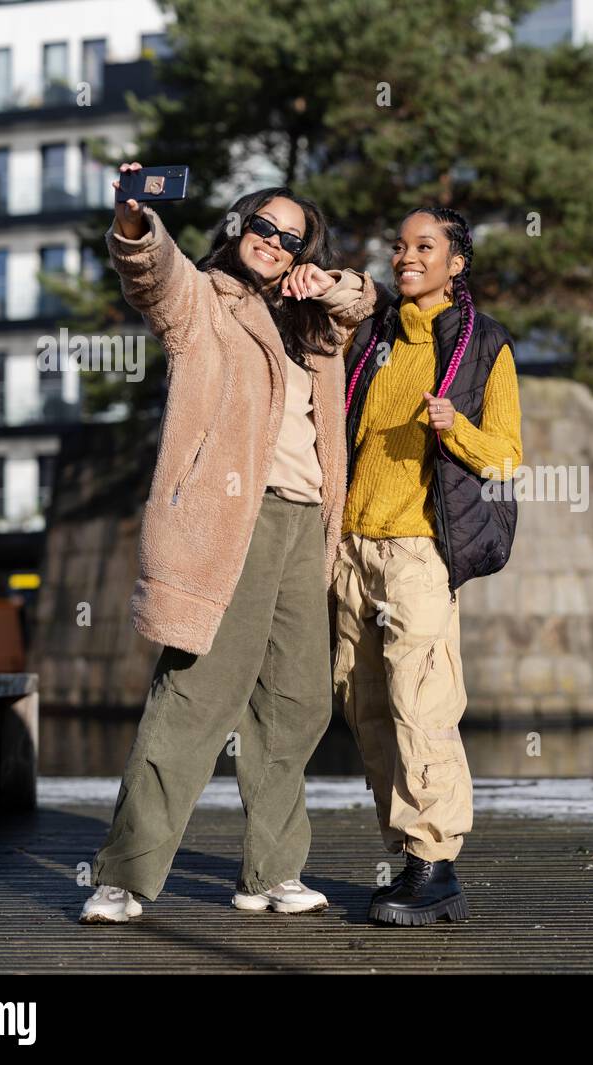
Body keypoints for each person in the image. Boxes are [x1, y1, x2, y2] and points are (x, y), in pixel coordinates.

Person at [80, 163, 375, 923]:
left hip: (302, 529)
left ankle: (271, 872)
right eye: (265, 227)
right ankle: (124, 875)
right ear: (238, 226)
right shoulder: (204, 302)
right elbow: (152, 274)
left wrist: (324, 281)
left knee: (298, 703)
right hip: (228, 526)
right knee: (194, 698)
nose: (275, 243)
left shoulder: (314, 328)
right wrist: (135, 217)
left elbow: (363, 299)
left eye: (292, 237)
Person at [335, 206, 522, 926]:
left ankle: (437, 864)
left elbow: (508, 458)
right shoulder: (377, 334)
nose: (407, 256)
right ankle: (410, 855)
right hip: (353, 547)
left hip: (417, 551)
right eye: (400, 244)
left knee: (423, 704)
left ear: (456, 262)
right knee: (366, 703)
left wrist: (457, 428)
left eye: (425, 246)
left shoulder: (486, 347)